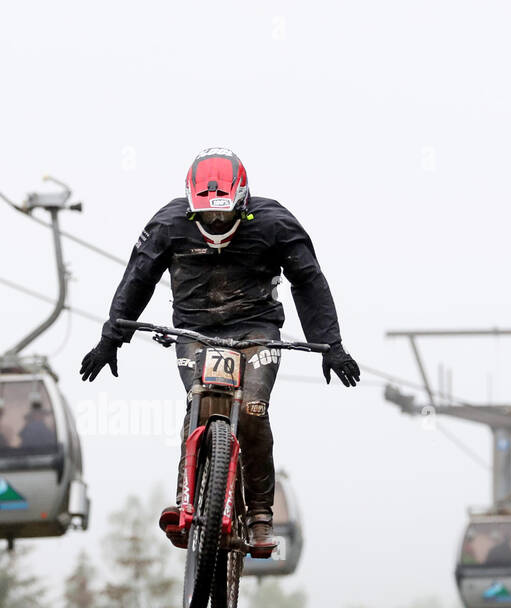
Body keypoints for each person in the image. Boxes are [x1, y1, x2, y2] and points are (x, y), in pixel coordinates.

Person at [79, 147, 360, 554]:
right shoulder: (167, 225)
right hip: (194, 330)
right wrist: (111, 339)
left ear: (243, 205)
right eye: (207, 216)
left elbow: (309, 282)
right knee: (200, 400)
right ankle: (187, 502)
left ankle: (261, 514)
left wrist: (331, 345)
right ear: (191, 208)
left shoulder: (277, 225)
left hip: (257, 331)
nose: (215, 222)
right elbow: (137, 278)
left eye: (224, 215)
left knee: (251, 410)